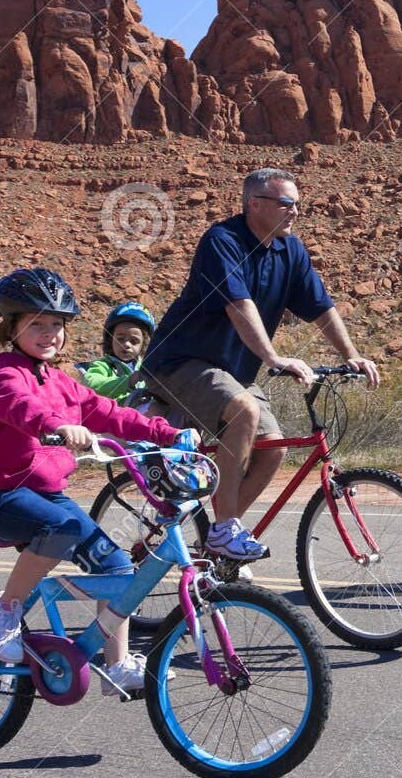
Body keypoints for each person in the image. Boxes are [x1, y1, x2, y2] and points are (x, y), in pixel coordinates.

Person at [0, 268, 193, 694]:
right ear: (11, 327)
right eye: (37, 323)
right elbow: (19, 407)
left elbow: (112, 413)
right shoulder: (3, 372)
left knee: (119, 568)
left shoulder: (63, 382)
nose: (49, 333)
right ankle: (5, 607)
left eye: (57, 324)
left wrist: (169, 433)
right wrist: (56, 425)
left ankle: (117, 665)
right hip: (0, 495)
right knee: (61, 528)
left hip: (48, 496)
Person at [139, 167, 379, 563]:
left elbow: (321, 308)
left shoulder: (290, 250)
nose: (295, 212)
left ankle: (220, 538)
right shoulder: (223, 241)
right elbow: (238, 304)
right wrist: (273, 358)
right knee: (245, 410)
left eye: (299, 204)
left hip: (231, 373)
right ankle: (223, 532)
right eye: (286, 203)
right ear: (255, 204)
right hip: (180, 363)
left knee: (272, 449)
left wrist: (349, 355)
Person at [74, 301, 155, 402]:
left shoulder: (144, 367)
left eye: (134, 341)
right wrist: (128, 381)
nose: (126, 344)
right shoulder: (103, 365)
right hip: (114, 414)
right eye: (120, 339)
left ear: (143, 345)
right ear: (110, 339)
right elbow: (92, 384)